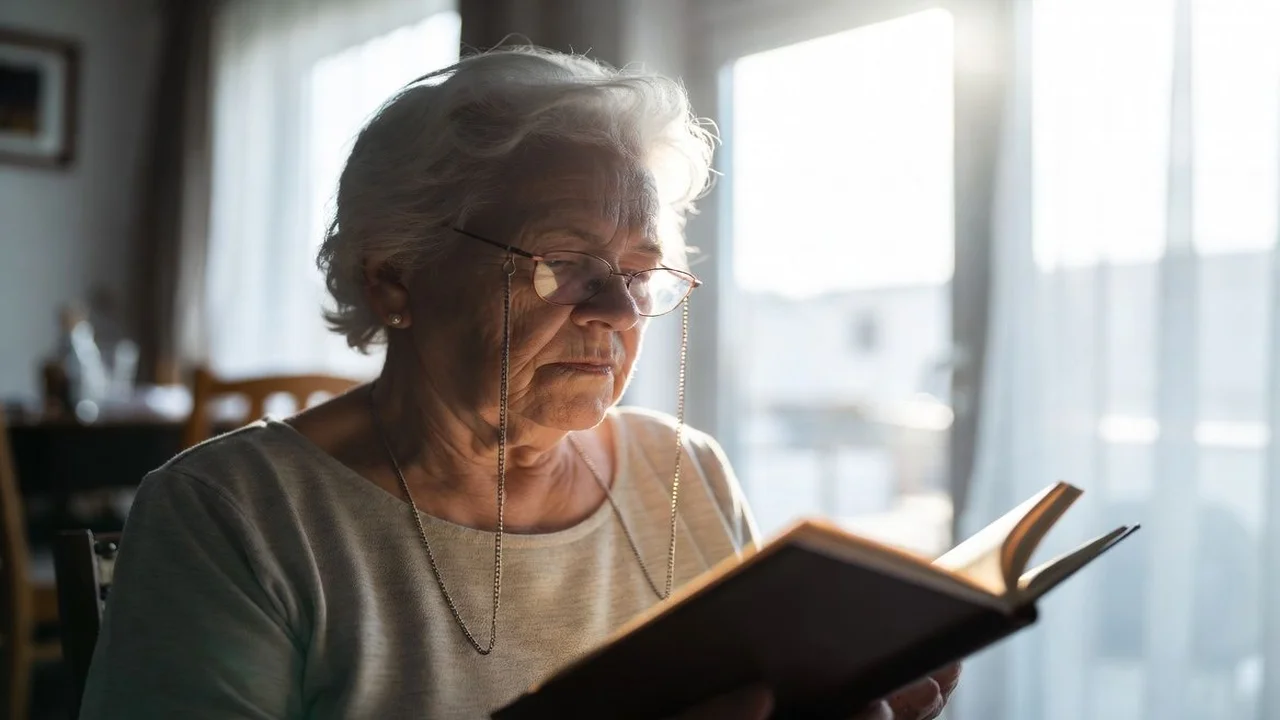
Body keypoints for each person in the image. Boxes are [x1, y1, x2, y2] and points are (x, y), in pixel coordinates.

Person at [79, 47, 959, 719]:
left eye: (640, 272)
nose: (618, 308)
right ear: (394, 279)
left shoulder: (685, 469)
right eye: (564, 261)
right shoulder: (236, 514)